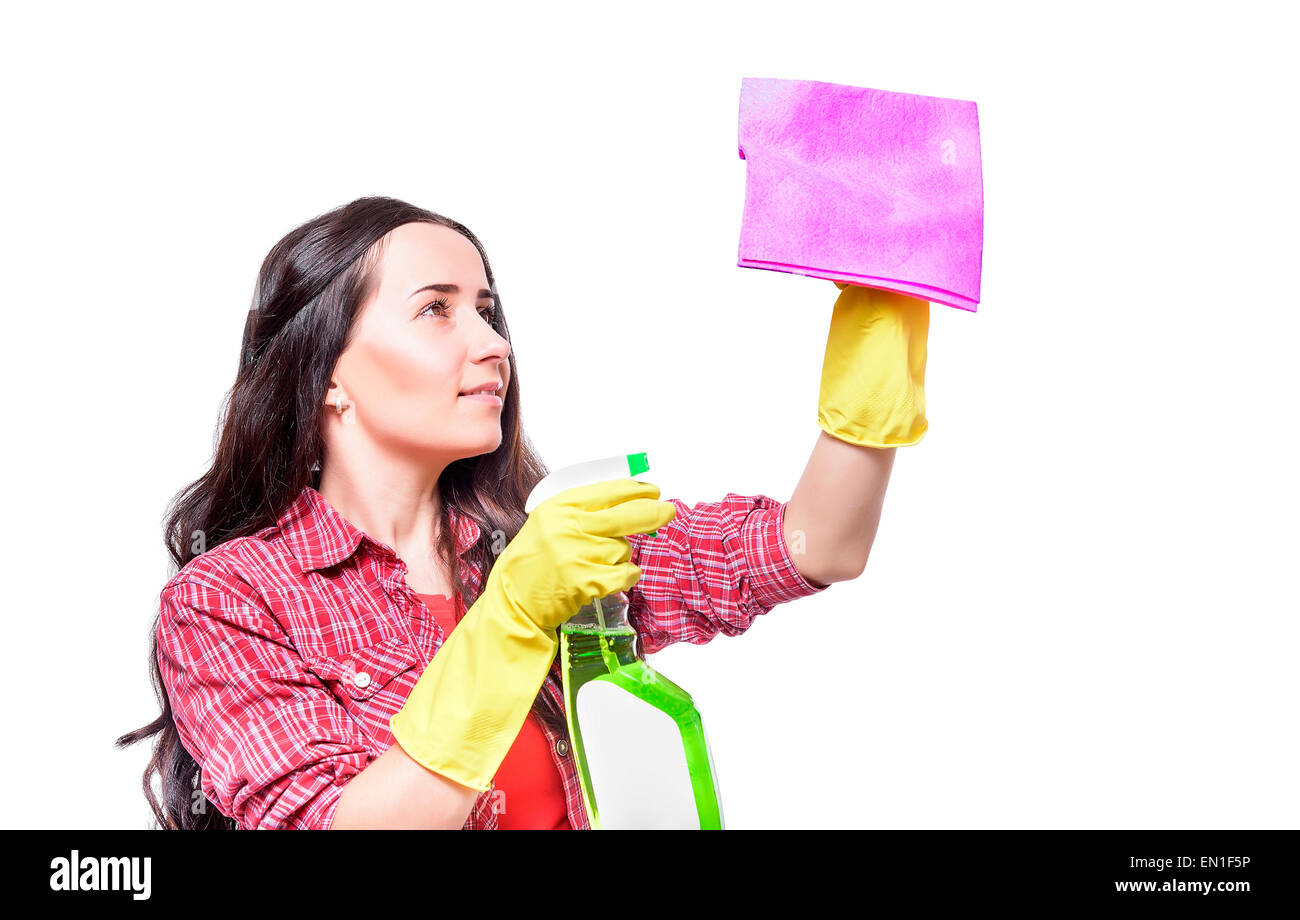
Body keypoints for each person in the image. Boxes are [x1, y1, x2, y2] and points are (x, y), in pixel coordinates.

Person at [116, 195, 927, 829]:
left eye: (486, 310)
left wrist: (878, 327)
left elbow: (817, 545)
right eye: (437, 309)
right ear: (328, 372)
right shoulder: (230, 601)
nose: (493, 342)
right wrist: (510, 622)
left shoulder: (549, 540)